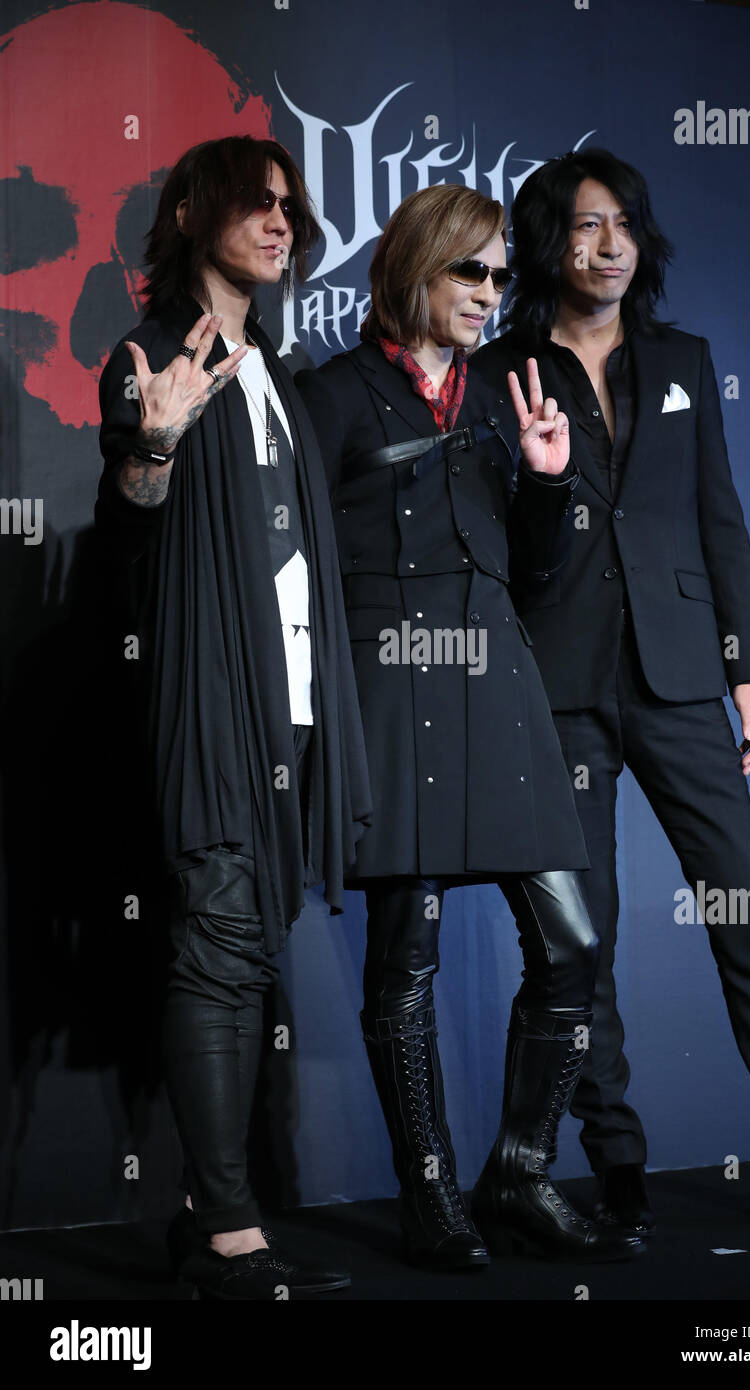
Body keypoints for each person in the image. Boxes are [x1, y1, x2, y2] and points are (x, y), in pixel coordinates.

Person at [474, 148, 750, 1238]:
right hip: (555, 682)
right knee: (577, 940)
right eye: (585, 225)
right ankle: (616, 1163)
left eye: (625, 226)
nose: (607, 245)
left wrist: (747, 666)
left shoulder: (682, 356)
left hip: (683, 674)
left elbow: (717, 519)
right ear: (547, 240)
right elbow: (497, 533)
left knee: (746, 911)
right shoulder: (499, 368)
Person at [295, 184, 645, 1269]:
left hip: (497, 687)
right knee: (406, 956)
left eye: (498, 275)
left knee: (573, 941)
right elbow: (290, 563)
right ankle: (431, 1191)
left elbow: (531, 571)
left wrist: (544, 484)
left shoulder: (503, 396)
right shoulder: (332, 396)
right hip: (389, 688)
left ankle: (518, 1172)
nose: (491, 294)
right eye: (470, 273)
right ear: (415, 268)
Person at [95, 135, 372, 1298]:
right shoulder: (152, 352)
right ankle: (225, 1230)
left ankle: (209, 1213)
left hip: (291, 707)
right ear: (191, 209)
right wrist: (154, 443)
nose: (279, 219)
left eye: (291, 205)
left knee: (247, 949)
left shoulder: (280, 372)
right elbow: (133, 511)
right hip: (209, 701)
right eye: (255, 200)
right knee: (218, 949)